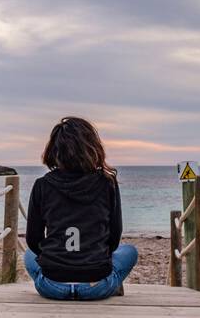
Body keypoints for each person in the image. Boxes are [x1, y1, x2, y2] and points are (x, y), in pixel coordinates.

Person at [24, 116, 138, 300]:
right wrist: (91, 256)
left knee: (29, 255)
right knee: (130, 251)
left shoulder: (42, 185)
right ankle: (111, 282)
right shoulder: (107, 183)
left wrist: (57, 260)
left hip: (52, 285)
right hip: (96, 284)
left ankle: (53, 279)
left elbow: (33, 239)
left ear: (54, 150)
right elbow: (114, 238)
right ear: (91, 147)